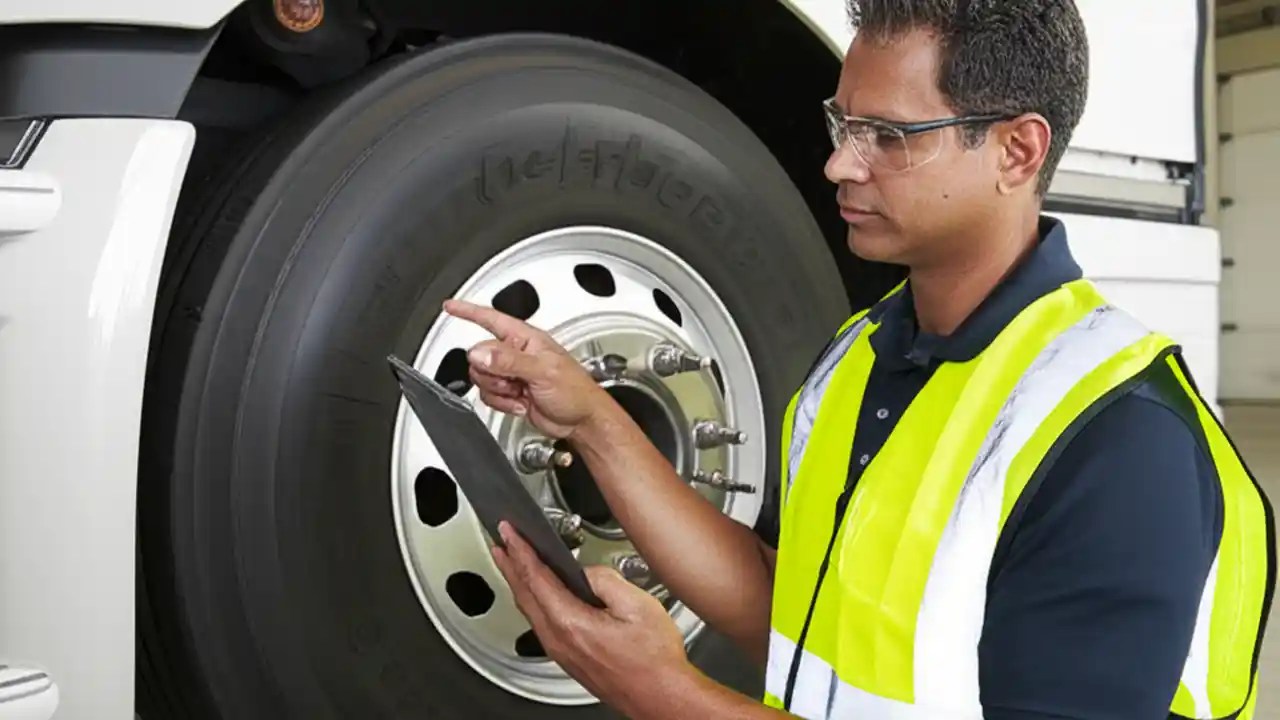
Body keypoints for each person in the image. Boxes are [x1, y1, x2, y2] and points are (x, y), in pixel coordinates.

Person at [442, 1, 1275, 718]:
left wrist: (664, 693)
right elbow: (793, 607)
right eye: (844, 124)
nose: (840, 162)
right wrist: (594, 420)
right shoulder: (862, 356)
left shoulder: (1121, 439)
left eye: (890, 136)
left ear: (1017, 152)